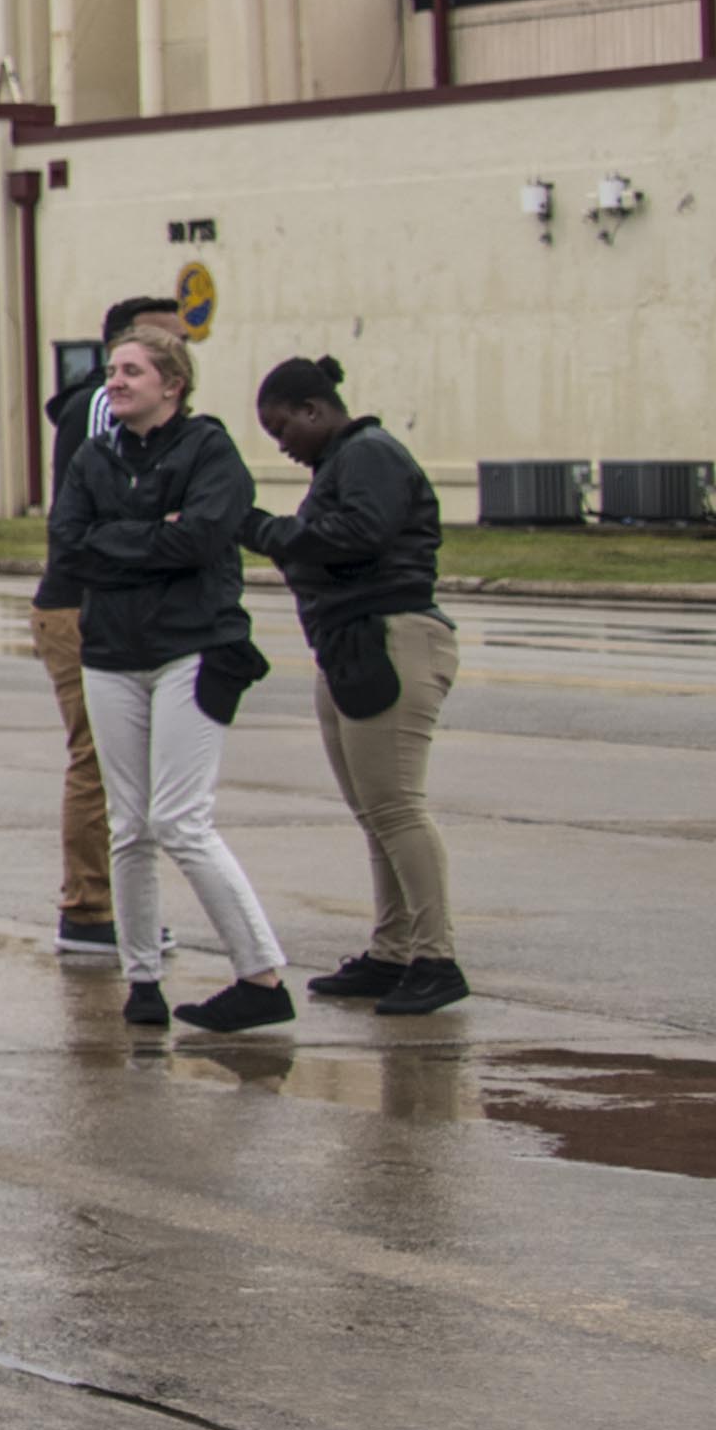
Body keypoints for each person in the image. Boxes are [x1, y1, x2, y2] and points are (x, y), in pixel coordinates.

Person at [53, 324, 298, 1036]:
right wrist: (150, 536)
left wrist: (122, 540)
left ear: (172, 384)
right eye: (111, 370)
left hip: (193, 647)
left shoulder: (208, 449)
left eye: (131, 370)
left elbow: (200, 537)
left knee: (179, 820)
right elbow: (68, 546)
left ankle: (261, 975)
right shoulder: (92, 458)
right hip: (109, 653)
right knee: (127, 826)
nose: (116, 381)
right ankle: (141, 981)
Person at [250, 354, 465, 1015]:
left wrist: (261, 528)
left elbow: (359, 536)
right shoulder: (339, 464)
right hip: (349, 644)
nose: (280, 445)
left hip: (390, 640)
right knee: (374, 811)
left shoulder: (368, 454)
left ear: (314, 411)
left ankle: (436, 958)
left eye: (282, 428)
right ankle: (391, 951)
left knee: (395, 807)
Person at [24, 294, 188, 959]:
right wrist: (158, 529)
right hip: (81, 602)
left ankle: (118, 904)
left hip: (115, 599)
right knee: (97, 758)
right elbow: (96, 503)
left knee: (127, 762)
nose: (182, 353)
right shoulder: (103, 408)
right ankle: (89, 908)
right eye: (167, 342)